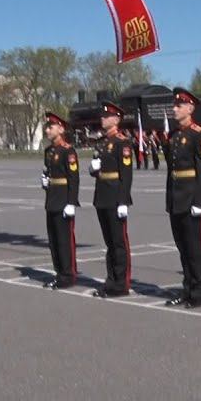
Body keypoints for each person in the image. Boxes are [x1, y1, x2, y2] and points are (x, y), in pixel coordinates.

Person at [164, 88, 201, 307]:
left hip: (191, 195)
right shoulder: (174, 135)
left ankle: (199, 290)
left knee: (194, 247)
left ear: (190, 108)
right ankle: (187, 287)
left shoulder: (198, 134)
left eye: (178, 105)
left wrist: (200, 200)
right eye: (174, 105)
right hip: (176, 196)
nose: (174, 109)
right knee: (182, 246)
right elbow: (171, 170)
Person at [89, 102, 135, 298]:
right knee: (109, 243)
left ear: (116, 119)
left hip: (116, 196)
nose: (103, 119)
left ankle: (121, 283)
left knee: (119, 243)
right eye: (102, 116)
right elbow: (99, 171)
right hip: (102, 196)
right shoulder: (101, 142)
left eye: (107, 116)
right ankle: (111, 280)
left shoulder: (122, 142)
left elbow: (126, 174)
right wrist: (94, 169)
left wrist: (124, 200)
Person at [40, 112, 79, 289]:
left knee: (64, 241)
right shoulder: (49, 151)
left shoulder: (68, 151)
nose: (47, 129)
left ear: (61, 128)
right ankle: (59, 273)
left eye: (51, 126)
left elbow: (73, 178)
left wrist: (71, 202)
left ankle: (68, 275)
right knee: (53, 240)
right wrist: (45, 182)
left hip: (63, 199)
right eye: (47, 127)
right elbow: (49, 173)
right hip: (52, 199)